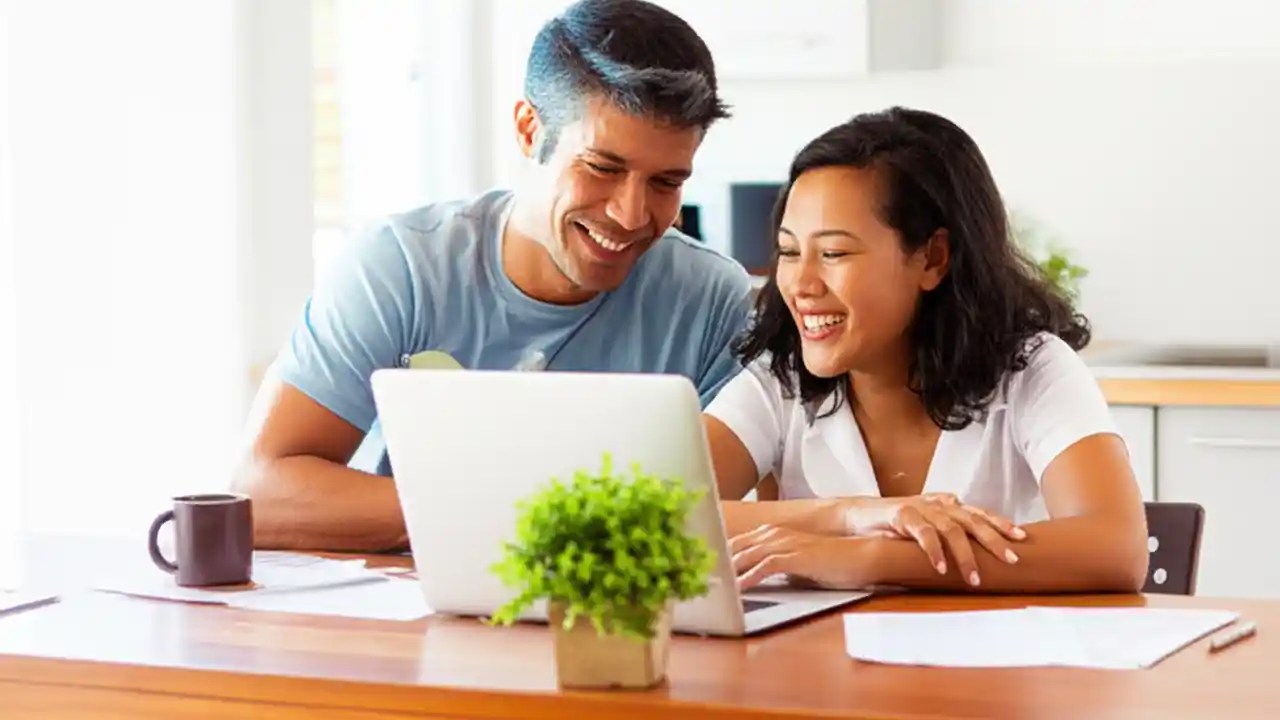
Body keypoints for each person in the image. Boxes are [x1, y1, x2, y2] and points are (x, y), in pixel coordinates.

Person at [234, 0, 752, 552]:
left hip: (614, 618)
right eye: (602, 168)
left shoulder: (715, 300)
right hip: (401, 619)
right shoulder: (399, 268)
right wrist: (518, 512)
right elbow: (263, 492)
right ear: (530, 130)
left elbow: (718, 516)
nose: (630, 215)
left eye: (665, 183)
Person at [705, 107, 1149, 593]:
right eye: (789, 252)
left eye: (833, 253)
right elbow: (655, 518)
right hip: (823, 666)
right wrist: (848, 516)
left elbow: (1116, 547)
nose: (801, 284)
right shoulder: (779, 382)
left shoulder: (1032, 369)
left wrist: (870, 557)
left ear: (932, 258)